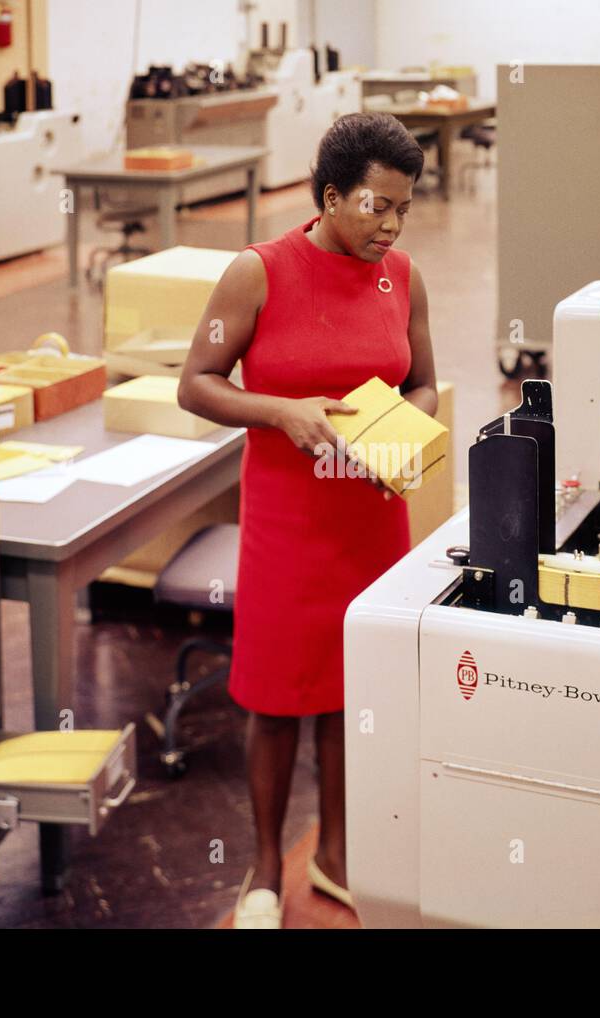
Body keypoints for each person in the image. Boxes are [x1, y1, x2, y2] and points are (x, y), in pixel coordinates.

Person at [178, 112, 438, 928]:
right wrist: (278, 412)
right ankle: (262, 866)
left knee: (350, 691)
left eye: (403, 208)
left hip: (369, 518)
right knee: (276, 694)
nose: (390, 226)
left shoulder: (403, 277)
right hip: (289, 523)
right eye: (375, 207)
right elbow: (197, 382)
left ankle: (335, 855)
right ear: (329, 197)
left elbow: (425, 383)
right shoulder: (258, 274)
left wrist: (397, 435)